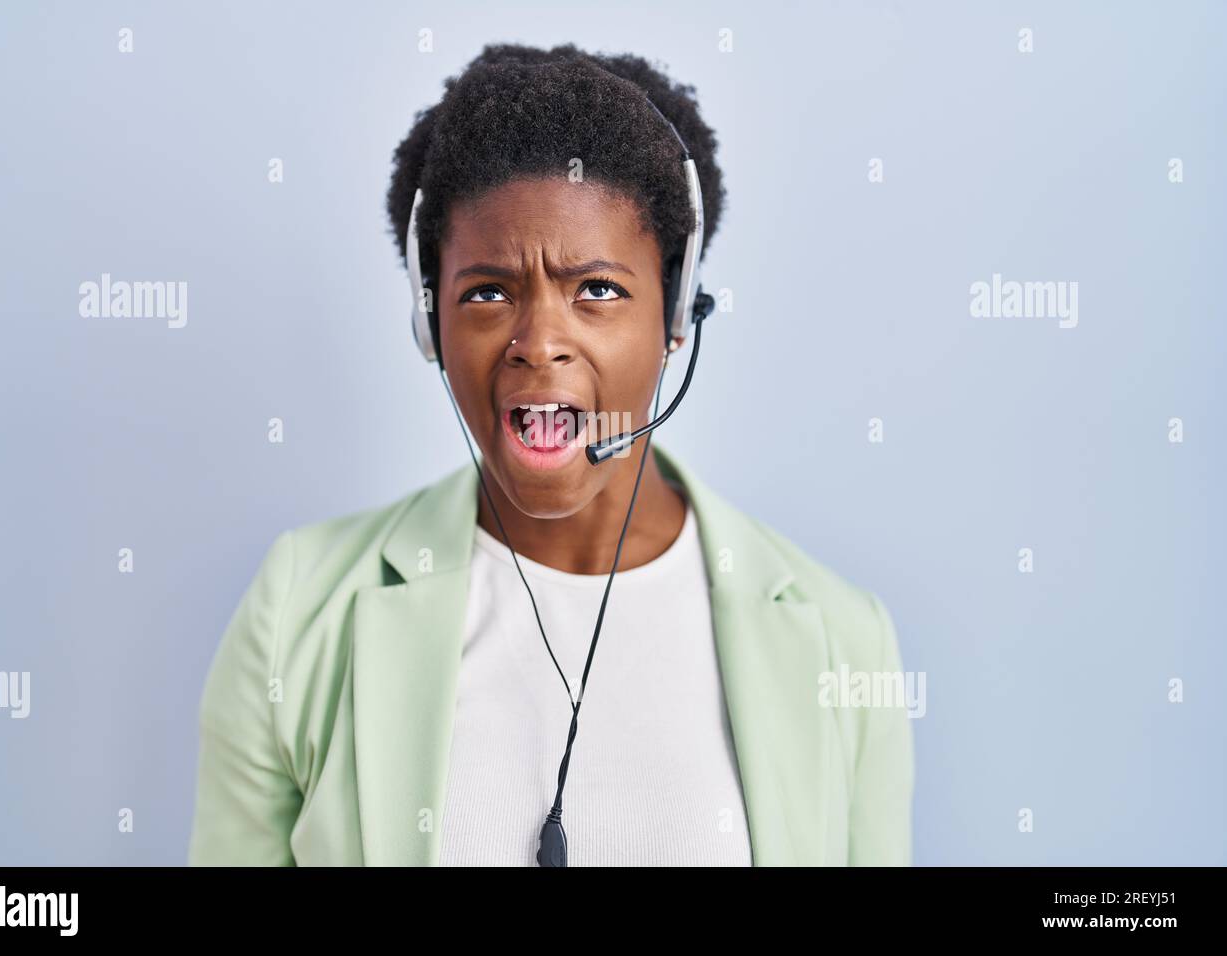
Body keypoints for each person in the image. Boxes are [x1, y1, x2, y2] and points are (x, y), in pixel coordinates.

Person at [188, 43, 913, 867]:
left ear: (676, 311)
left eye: (596, 289)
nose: (539, 344)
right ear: (430, 321)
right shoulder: (300, 611)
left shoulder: (845, 642)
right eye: (487, 292)